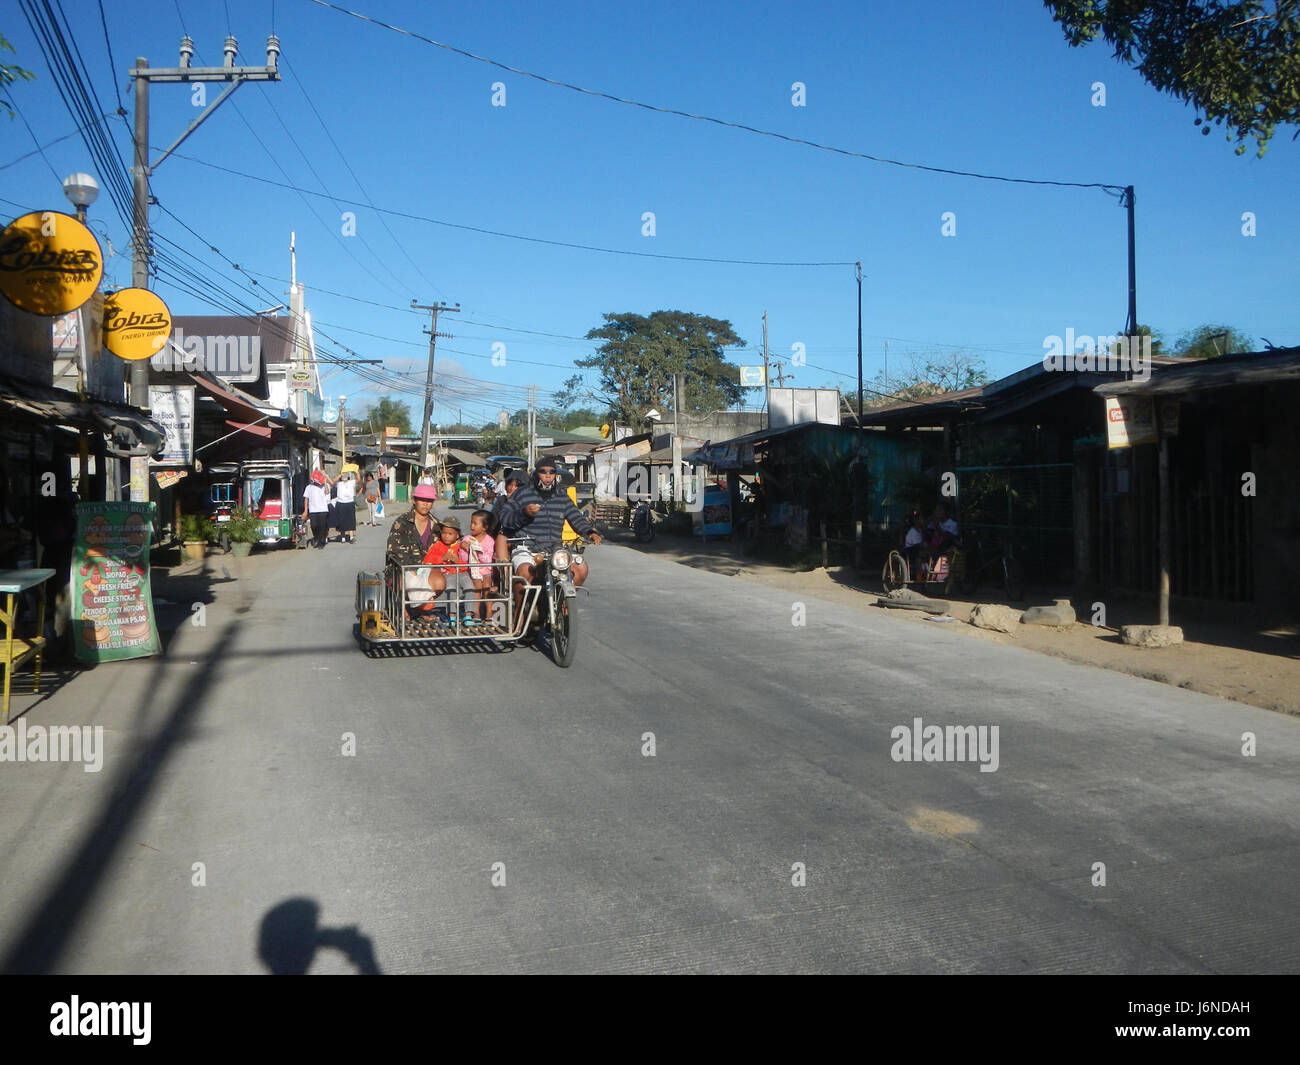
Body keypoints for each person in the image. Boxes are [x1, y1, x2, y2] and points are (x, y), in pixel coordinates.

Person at [498, 461, 602, 623]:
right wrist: (524, 513)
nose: (547, 476)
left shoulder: (561, 496)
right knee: (525, 574)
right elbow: (505, 518)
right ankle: (520, 616)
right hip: (527, 548)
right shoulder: (523, 494)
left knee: (581, 568)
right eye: (543, 472)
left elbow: (575, 516)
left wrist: (590, 532)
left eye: (551, 472)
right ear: (536, 474)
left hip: (554, 550)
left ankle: (563, 605)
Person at [385, 483, 445, 615]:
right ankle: (404, 607)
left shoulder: (437, 525)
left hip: (427, 569)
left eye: (429, 501)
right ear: (414, 500)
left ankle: (420, 608)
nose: (425, 504)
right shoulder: (402, 522)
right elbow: (393, 549)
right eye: (422, 500)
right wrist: (411, 569)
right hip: (402, 569)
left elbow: (447, 544)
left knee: (440, 582)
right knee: (404, 580)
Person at [462, 509, 498, 622]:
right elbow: (462, 559)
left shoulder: (489, 541)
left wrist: (478, 552)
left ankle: (489, 612)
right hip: (472, 570)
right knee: (477, 584)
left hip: (486, 570)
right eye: (471, 522)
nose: (472, 526)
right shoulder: (467, 539)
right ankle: (476, 612)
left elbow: (488, 560)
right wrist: (465, 550)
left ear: (484, 527)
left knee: (487, 583)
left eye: (475, 523)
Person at [301, 470, 331, 549]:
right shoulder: (309, 487)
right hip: (313, 510)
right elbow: (306, 499)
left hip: (323, 509)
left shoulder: (324, 486)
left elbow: (327, 492)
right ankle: (316, 538)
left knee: (322, 526)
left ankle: (321, 542)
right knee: (314, 526)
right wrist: (305, 510)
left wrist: (324, 482)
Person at [334, 471, 358, 544]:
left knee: (350, 520)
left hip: (350, 502)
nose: (344, 477)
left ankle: (351, 537)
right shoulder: (339, 484)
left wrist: (357, 473)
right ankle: (343, 537)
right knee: (341, 521)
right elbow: (332, 482)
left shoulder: (351, 482)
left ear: (348, 477)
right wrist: (340, 474)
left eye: (346, 476)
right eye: (343, 476)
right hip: (340, 503)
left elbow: (359, 480)